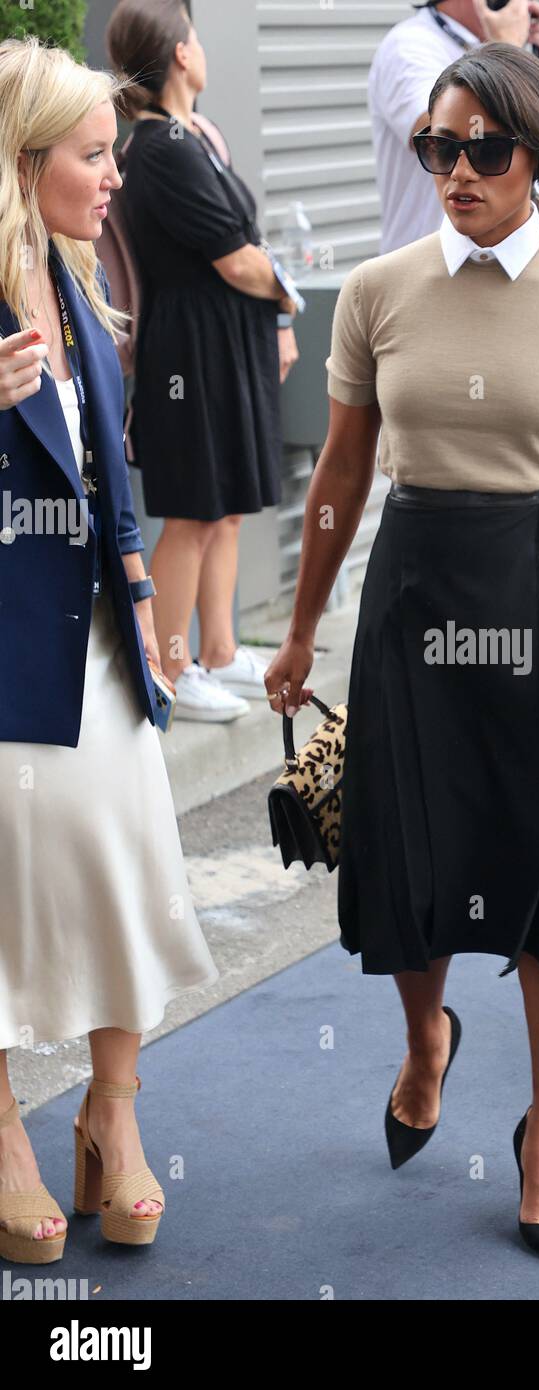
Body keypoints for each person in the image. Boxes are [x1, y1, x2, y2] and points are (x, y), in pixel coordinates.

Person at [264, 43, 539, 1260]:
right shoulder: (383, 288)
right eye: (435, 148)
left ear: (534, 155)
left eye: (482, 150)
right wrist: (295, 629)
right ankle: (425, 1041)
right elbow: (339, 475)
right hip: (416, 583)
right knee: (410, 851)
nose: (455, 171)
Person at [0, 36, 219, 1264]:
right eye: (93, 156)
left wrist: (144, 606)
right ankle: (6, 1141)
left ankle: (111, 1119)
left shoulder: (76, 279)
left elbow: (112, 469)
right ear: (24, 164)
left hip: (97, 640)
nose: (115, 177)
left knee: (127, 870)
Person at [105, 0, 300, 722]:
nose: (201, 45)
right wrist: (289, 300)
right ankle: (173, 667)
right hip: (190, 351)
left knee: (225, 508)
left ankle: (217, 650)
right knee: (192, 511)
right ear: (182, 54)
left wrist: (275, 311)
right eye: (194, 34)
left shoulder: (189, 138)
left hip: (220, 345)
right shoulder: (163, 149)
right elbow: (238, 260)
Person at [369, 0, 539, 252]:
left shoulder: (501, 42)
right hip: (426, 268)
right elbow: (447, 134)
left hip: (508, 262)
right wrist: (506, 53)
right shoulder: (410, 44)